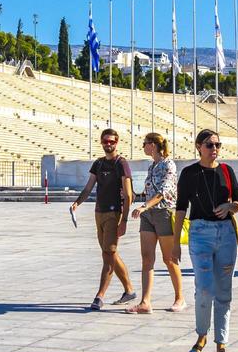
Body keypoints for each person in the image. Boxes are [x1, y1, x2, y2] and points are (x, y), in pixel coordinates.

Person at [171, 129, 238, 352]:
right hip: (200, 231)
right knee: (204, 288)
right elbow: (181, 207)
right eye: (209, 145)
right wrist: (175, 244)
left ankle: (221, 344)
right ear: (198, 147)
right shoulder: (189, 173)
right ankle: (201, 337)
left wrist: (230, 207)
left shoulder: (226, 170)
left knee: (224, 291)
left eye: (218, 145)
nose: (215, 149)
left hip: (225, 234)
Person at [69, 128, 136, 311]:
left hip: (114, 214)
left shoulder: (121, 163)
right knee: (109, 253)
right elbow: (89, 187)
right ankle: (129, 289)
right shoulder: (98, 164)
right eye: (105, 141)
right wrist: (77, 203)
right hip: (99, 212)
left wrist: (124, 221)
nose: (108, 144)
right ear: (101, 142)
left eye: (112, 142)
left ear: (117, 142)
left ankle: (100, 296)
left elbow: (128, 195)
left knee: (109, 253)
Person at [127, 132, 184, 314]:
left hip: (164, 213)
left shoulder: (169, 165)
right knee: (147, 258)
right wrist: (139, 199)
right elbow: (151, 192)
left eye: (145, 143)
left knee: (169, 258)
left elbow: (163, 192)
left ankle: (179, 298)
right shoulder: (152, 166)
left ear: (152, 145)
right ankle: (145, 302)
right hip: (148, 214)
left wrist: (144, 206)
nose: (143, 146)